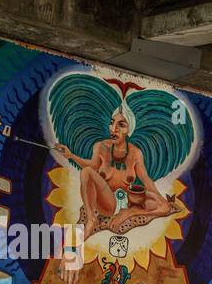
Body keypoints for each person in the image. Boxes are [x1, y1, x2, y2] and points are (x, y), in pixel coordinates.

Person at [52, 100, 171, 239]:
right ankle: (91, 219)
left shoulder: (136, 154)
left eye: (121, 125)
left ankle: (128, 212)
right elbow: (92, 166)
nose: (113, 129)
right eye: (112, 123)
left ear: (129, 130)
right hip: (106, 203)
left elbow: (146, 180)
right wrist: (70, 155)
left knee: (162, 205)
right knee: (86, 172)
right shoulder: (101, 147)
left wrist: (130, 212)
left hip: (126, 203)